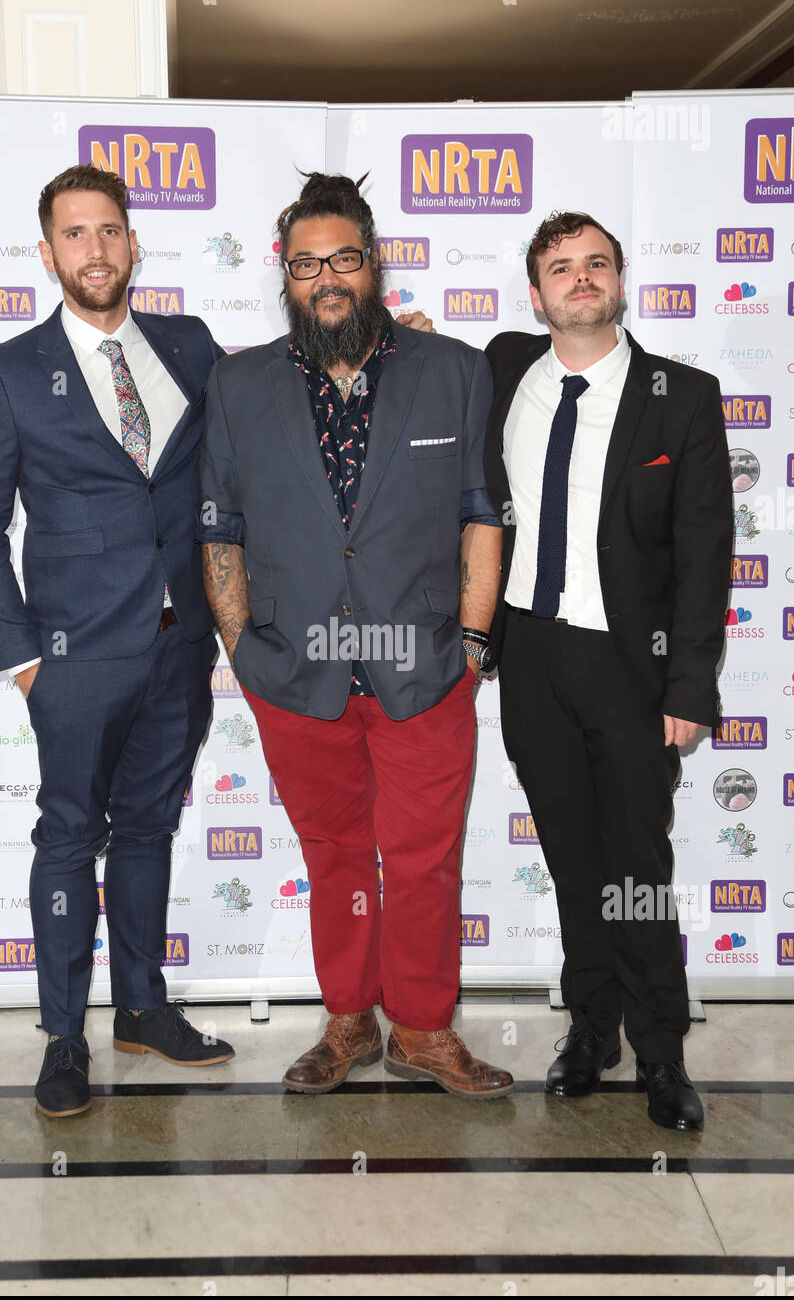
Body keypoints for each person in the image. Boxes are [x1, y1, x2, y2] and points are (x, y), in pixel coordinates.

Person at [198, 172, 513, 1098]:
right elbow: (221, 525)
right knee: (334, 856)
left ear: (373, 263)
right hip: (296, 677)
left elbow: (481, 517)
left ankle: (423, 1028)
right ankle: (348, 1020)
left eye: (342, 258)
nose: (325, 277)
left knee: (423, 859)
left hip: (423, 671)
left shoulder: (452, 370)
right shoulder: (239, 381)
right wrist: (243, 652)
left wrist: (474, 644)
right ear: (283, 274)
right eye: (305, 263)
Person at [0, 164, 234, 1117]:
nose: (96, 250)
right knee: (72, 836)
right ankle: (66, 1034)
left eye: (110, 231)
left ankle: (143, 1007)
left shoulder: (191, 345)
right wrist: (20, 654)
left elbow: (263, 420)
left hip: (180, 641)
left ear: (134, 243)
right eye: (74, 235)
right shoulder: (6, 371)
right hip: (71, 654)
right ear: (47, 253)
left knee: (150, 824)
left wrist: (386, 350)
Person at [483, 210, 731, 1131]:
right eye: (560, 267)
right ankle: (591, 1031)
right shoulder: (504, 369)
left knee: (637, 865)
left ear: (620, 281)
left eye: (595, 264)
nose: (579, 279)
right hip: (531, 651)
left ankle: (661, 1051)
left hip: (633, 664)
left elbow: (708, 553)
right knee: (572, 860)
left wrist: (689, 686)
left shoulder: (683, 396)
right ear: (537, 292)